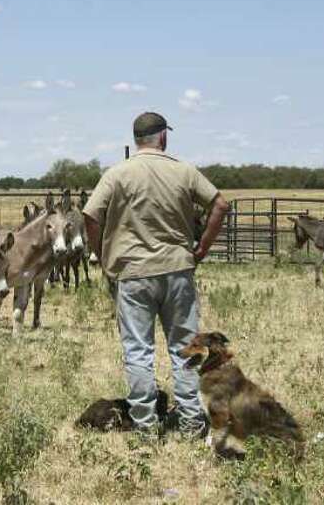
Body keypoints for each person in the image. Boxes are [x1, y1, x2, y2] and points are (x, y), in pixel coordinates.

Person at [82, 111, 230, 437]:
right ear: (163, 137)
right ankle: (192, 425)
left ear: (137, 139)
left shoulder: (118, 173)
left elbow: (91, 215)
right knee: (185, 350)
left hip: (132, 273)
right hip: (178, 269)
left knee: (138, 352)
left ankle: (146, 427)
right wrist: (201, 247)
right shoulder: (183, 170)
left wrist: (104, 255)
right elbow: (220, 205)